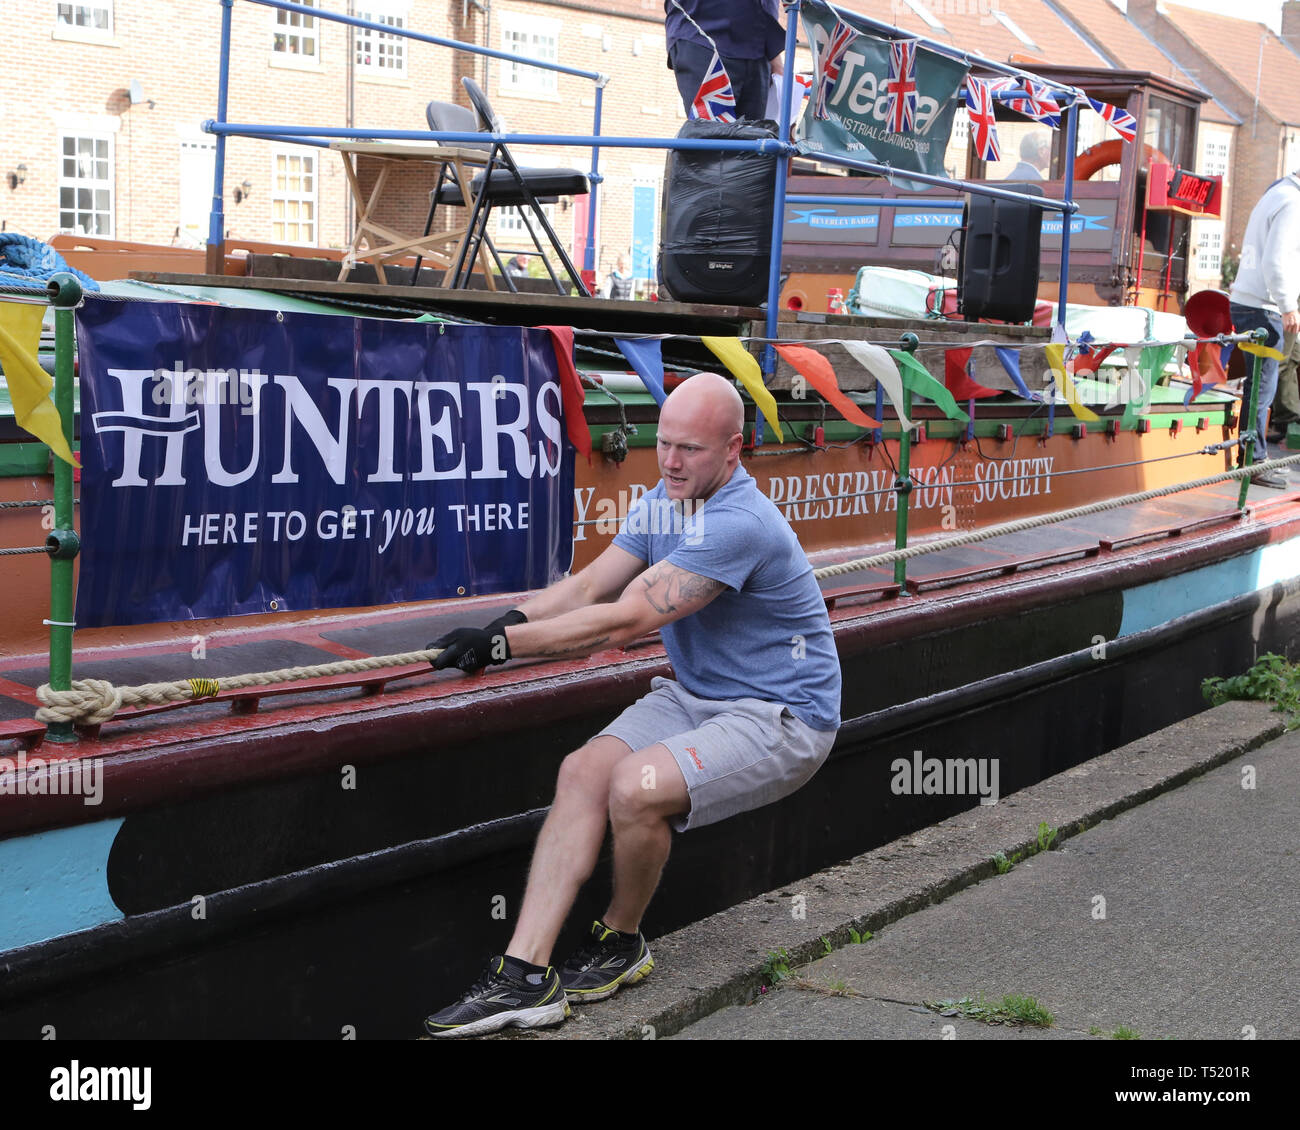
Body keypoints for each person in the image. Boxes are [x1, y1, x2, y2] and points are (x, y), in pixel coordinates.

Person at [422, 371, 841, 1038]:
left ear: (734, 450)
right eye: (663, 444)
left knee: (633, 787)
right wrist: (503, 623)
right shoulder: (665, 498)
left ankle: (620, 939)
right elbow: (591, 584)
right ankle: (523, 976)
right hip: (700, 695)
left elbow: (621, 624)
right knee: (580, 772)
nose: (671, 462)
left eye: (691, 450)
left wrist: (503, 648)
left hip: (781, 717)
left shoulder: (740, 523)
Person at [1229, 170, 1300, 487]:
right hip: (1263, 305)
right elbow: (1275, 260)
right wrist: (1288, 305)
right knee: (1263, 387)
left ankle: (1252, 455)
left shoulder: (1276, 193)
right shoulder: (1292, 202)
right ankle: (1254, 461)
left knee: (1259, 384)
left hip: (1249, 300)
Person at [665, 0, 785, 122]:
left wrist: (774, 53)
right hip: (703, 34)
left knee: (754, 136)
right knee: (712, 132)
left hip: (759, 46)